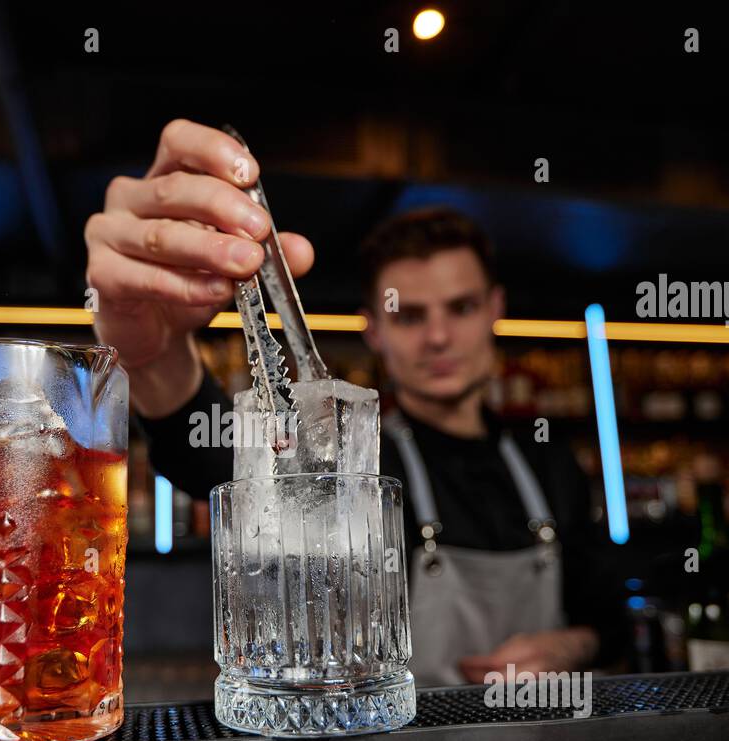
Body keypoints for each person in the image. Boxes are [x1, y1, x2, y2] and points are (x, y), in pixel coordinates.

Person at [84, 119, 626, 685]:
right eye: (409, 316)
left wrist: (571, 647)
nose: (438, 336)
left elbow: (608, 616)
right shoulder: (349, 455)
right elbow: (213, 454)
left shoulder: (549, 462)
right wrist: (155, 355)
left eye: (461, 308)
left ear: (495, 309)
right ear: (374, 330)